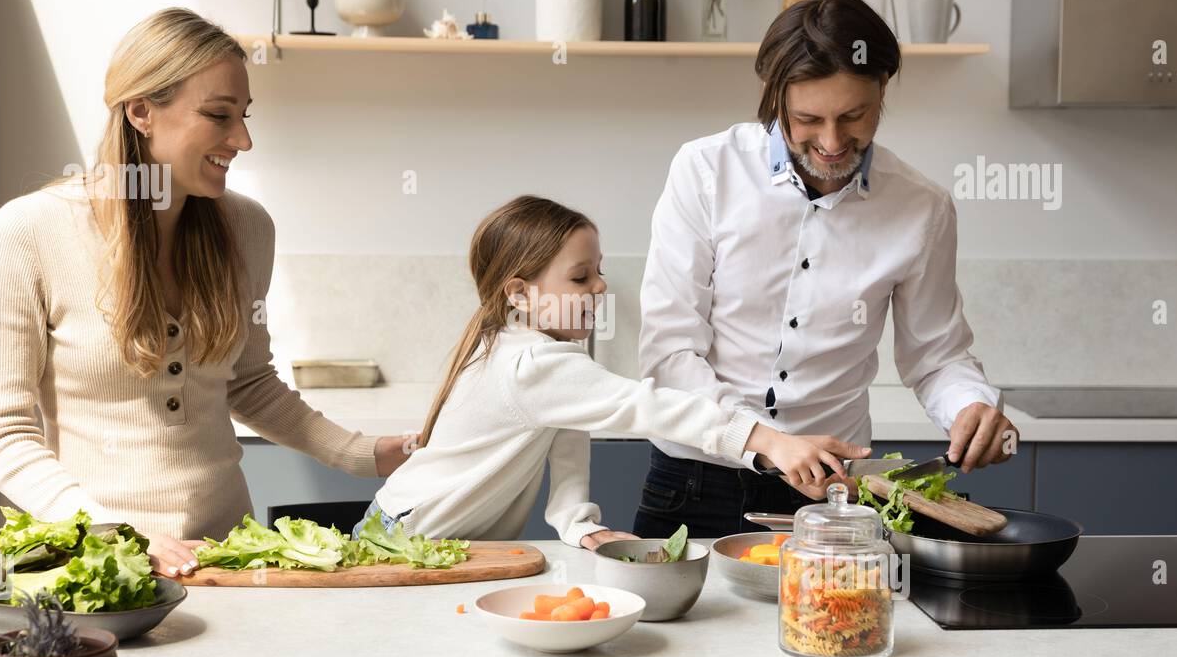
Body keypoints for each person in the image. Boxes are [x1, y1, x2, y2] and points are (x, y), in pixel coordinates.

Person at [0, 8, 411, 578]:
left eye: (244, 117)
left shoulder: (249, 229)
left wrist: (362, 453)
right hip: (98, 565)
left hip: (229, 558)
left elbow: (250, 383)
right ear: (142, 111)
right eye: (218, 116)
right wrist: (114, 533)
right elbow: (3, 434)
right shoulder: (27, 232)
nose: (243, 139)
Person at [636, 0, 1018, 539]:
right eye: (808, 119)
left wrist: (972, 406)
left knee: (839, 628)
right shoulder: (705, 172)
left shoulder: (922, 208)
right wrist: (765, 441)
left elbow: (937, 357)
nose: (834, 142)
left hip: (835, 495)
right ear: (775, 101)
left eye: (854, 116)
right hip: (694, 483)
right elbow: (669, 352)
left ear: (881, 90)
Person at [360, 194, 867, 550]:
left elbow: (563, 440)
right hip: (409, 539)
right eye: (581, 277)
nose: (601, 287)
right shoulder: (532, 362)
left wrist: (576, 523)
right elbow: (648, 407)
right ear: (520, 292)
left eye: (598, 271)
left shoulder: (529, 350)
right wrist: (768, 440)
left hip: (412, 528)